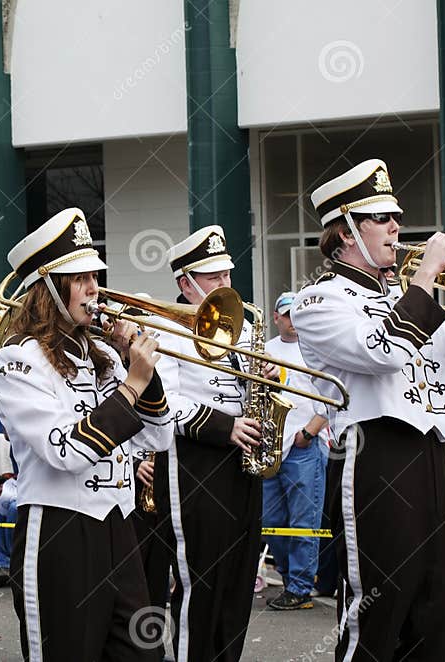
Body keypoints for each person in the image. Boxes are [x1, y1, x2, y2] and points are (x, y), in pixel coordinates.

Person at [292, 159, 445, 661]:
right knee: (378, 613)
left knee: (437, 604)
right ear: (345, 233)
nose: (396, 228)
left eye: (396, 217)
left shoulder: (411, 295)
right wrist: (427, 275)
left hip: (435, 456)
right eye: (382, 218)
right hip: (376, 458)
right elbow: (382, 350)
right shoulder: (319, 300)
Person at [0, 207, 174, 661]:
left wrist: (143, 373)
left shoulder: (107, 358)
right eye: (80, 278)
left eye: (95, 274)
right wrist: (132, 385)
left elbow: (158, 438)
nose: (95, 288)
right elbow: (66, 451)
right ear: (48, 288)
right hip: (58, 532)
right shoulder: (19, 360)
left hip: (119, 523)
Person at [155, 224, 265, 662]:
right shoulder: (166, 327)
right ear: (186, 283)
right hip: (196, 465)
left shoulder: (244, 325)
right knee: (201, 583)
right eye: (213, 277)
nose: (224, 285)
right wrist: (225, 426)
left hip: (245, 462)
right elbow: (164, 400)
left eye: (227, 275)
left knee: (238, 584)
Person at [261, 292, 331, 610]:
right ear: (276, 318)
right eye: (286, 315)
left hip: (303, 444)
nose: (291, 321)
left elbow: (332, 397)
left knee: (304, 521)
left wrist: (309, 432)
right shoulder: (265, 350)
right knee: (271, 519)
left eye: (295, 315)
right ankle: (290, 579)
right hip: (272, 443)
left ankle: (301, 587)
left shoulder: (316, 347)